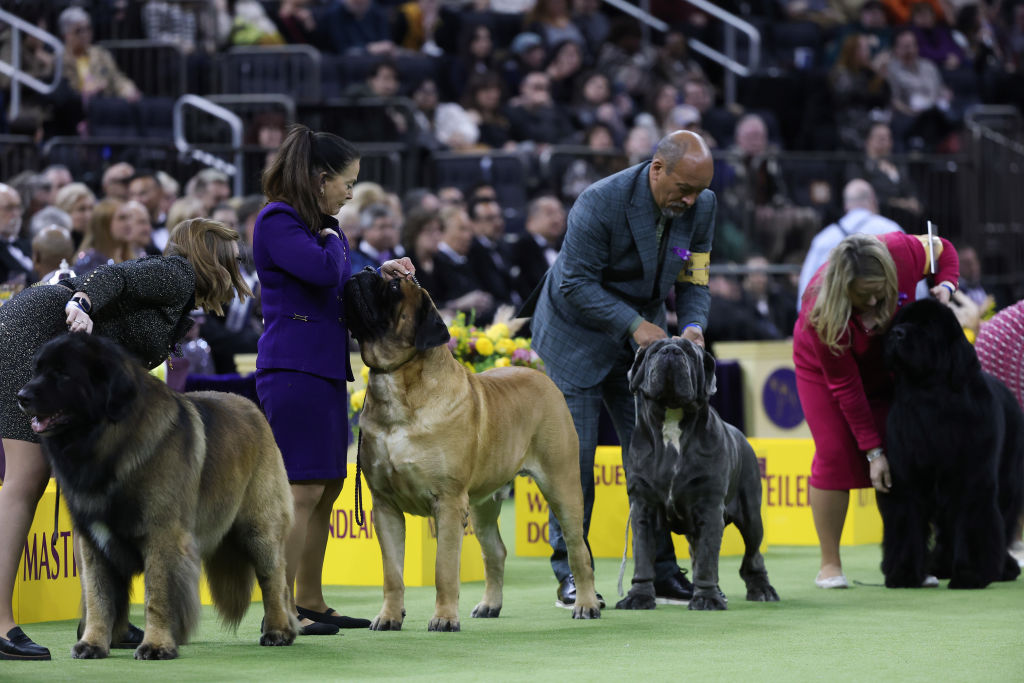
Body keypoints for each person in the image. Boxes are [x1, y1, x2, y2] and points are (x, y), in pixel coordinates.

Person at [0, 217, 252, 660]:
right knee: (27, 480)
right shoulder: (177, 272)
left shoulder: (180, 297)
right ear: (209, 255)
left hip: (58, 346)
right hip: (38, 331)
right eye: (231, 257)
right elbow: (114, 275)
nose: (237, 266)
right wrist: (82, 302)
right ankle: (1, 623)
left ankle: (102, 621)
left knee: (89, 490)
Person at [527, 130, 716, 606]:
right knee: (575, 462)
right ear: (657, 169)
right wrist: (634, 324)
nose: (691, 201)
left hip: (644, 341)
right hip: (573, 336)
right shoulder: (599, 202)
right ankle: (573, 573)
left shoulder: (702, 205)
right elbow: (574, 283)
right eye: (684, 190)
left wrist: (693, 326)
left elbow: (694, 277)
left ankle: (661, 573)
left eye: (699, 191)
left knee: (654, 459)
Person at [252, 124, 413, 635]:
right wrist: (334, 240)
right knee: (301, 491)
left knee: (328, 488)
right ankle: (279, 611)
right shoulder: (279, 219)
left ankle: (310, 599)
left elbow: (340, 282)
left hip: (321, 370)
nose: (349, 193)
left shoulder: (320, 228)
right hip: (293, 369)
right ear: (321, 179)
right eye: (347, 182)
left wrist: (379, 273)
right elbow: (325, 273)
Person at [793, 231, 959, 589]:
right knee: (835, 453)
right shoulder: (819, 309)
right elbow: (847, 388)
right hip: (824, 372)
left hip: (888, 361)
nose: (872, 302)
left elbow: (944, 251)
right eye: (861, 296)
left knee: (905, 453)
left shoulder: (904, 251)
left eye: (879, 293)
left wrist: (946, 286)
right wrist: (873, 453)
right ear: (842, 290)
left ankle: (911, 560)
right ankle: (830, 564)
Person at [798, 179, 905, 306]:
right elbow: (909, 274)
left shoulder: (824, 238)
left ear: (846, 205)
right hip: (881, 311)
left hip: (836, 313)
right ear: (872, 200)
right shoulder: (891, 230)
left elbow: (806, 288)